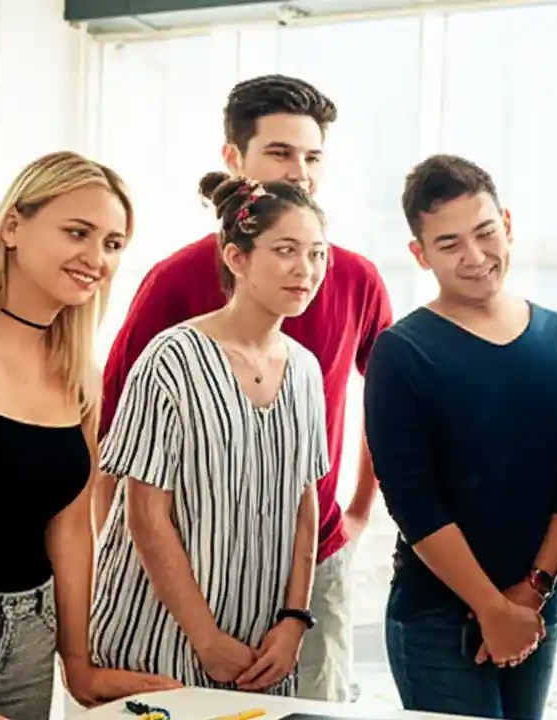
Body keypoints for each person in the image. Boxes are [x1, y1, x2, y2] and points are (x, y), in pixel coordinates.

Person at [94, 75, 391, 701]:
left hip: (302, 573)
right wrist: (99, 565)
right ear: (235, 157)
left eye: (313, 157)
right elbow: (121, 450)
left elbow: (386, 409)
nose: (301, 171)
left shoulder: (352, 286)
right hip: (179, 572)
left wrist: (358, 511)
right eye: (281, 153)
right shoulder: (174, 291)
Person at [364, 154, 557, 719]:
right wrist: (490, 606)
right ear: (419, 255)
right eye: (449, 244)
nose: (474, 257)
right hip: (436, 614)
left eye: (485, 233)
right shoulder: (400, 352)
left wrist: (531, 590)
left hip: (536, 603)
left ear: (508, 225)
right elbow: (412, 501)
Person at [0, 151, 180, 720]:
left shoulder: (77, 369)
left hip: (29, 641)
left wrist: (77, 664)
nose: (96, 258)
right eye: (77, 232)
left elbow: (72, 527)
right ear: (12, 227)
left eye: (113, 243)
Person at [90, 173, 330, 696]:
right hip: (157, 638)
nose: (305, 269)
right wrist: (205, 639)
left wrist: (294, 621)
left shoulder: (307, 371)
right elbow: (145, 513)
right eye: (285, 250)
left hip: (261, 646)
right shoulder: (170, 360)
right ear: (236, 258)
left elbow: (305, 503)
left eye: (316, 253)